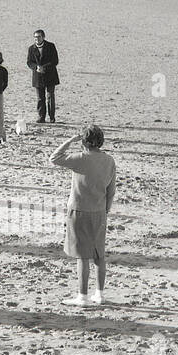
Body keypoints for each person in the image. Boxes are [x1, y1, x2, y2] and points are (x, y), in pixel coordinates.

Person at [51, 125, 117, 305]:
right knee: (99, 255)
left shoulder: (80, 158)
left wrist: (71, 140)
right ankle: (100, 294)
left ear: (84, 142)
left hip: (79, 211)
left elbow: (54, 157)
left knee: (82, 256)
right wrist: (106, 210)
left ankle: (82, 296)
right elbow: (111, 191)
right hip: (99, 211)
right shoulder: (109, 161)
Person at [27, 28, 60, 124]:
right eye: (35, 37)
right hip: (38, 76)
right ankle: (41, 117)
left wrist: (43, 67)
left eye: (39, 37)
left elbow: (55, 61)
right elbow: (29, 62)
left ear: (43, 37)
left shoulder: (51, 46)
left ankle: (52, 117)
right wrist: (36, 67)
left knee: (50, 96)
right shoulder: (31, 48)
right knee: (40, 98)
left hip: (50, 75)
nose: (37, 39)